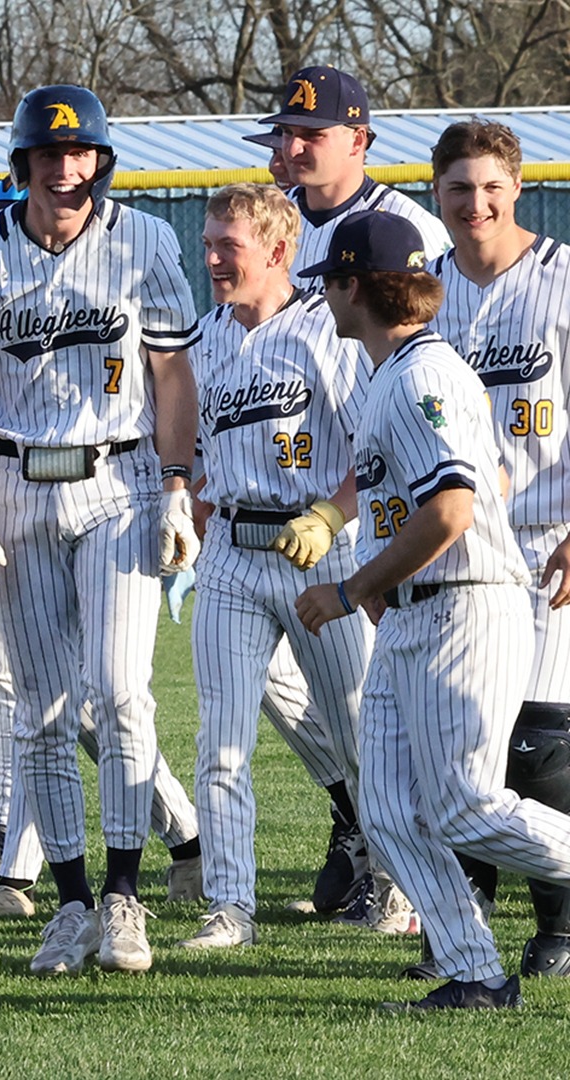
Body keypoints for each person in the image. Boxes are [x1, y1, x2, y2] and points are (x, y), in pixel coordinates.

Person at [0, 85, 201, 976]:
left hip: (118, 479)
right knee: (39, 713)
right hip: (12, 484)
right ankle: (74, 903)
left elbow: (170, 374)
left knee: (121, 691)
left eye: (79, 152)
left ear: (101, 160)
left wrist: (176, 486)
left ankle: (125, 899)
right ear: (23, 166)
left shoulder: (148, 240)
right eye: (49, 155)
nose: (65, 167)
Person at [294, 209, 570, 1010]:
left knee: (466, 806)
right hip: (416, 613)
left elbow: (450, 510)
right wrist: (383, 577)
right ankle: (477, 972)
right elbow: (489, 485)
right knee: (385, 809)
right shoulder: (397, 371)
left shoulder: (420, 373)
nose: (325, 298)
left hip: (464, 607)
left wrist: (352, 586)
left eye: (331, 283)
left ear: (355, 285)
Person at [179, 183, 371, 949]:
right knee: (220, 741)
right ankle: (231, 907)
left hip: (318, 557)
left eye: (229, 243)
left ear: (279, 251)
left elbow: (375, 451)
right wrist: (183, 505)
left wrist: (331, 516)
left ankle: (392, 884)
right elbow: (192, 450)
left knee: (361, 733)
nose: (214, 256)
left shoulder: (327, 331)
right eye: (209, 241)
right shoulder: (202, 337)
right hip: (231, 549)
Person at [426, 119, 570, 979]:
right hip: (457, 550)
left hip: (550, 538)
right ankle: (466, 918)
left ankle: (560, 922)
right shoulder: (428, 292)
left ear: (516, 188)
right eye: (457, 189)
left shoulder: (561, 278)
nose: (474, 204)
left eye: (489, 187)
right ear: (435, 195)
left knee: (540, 742)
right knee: (462, 740)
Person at [260, 65, 448, 289]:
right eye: (287, 132)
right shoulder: (266, 218)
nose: (292, 149)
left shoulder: (411, 224)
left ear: (357, 140)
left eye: (312, 134)